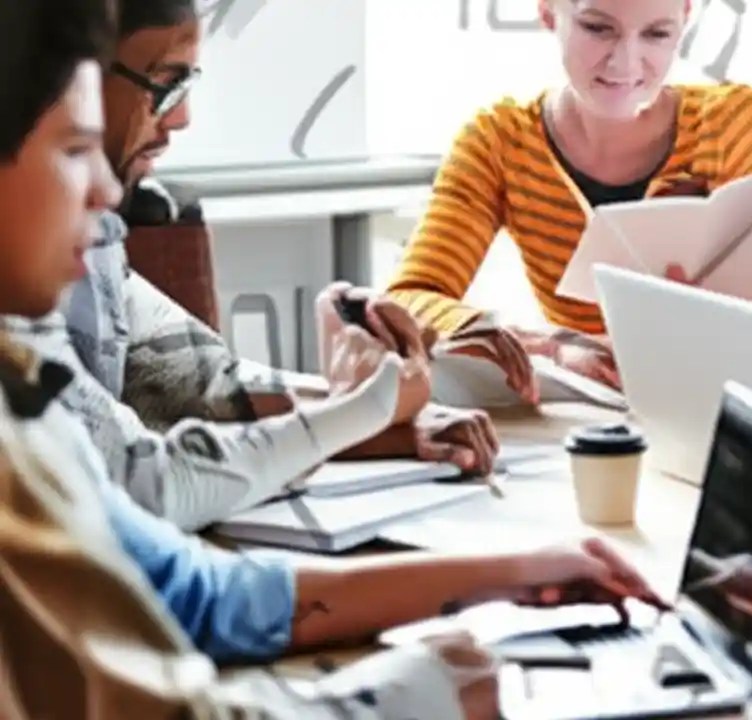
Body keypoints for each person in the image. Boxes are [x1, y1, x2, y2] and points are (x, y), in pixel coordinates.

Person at [0, 7, 665, 716]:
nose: (103, 191)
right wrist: (420, 690)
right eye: (75, 148)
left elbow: (189, 585)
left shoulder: (31, 352)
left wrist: (518, 574)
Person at [0, 0, 502, 532]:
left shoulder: (94, 236)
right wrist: (359, 412)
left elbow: (200, 380)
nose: (181, 117)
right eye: (165, 84)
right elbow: (142, 481)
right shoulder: (28, 261)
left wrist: (370, 406)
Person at [385, 0, 752, 397]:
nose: (625, 63)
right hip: (581, 414)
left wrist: (696, 319)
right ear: (549, 10)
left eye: (656, 34)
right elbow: (407, 299)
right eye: (597, 28)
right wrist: (545, 347)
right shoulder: (500, 142)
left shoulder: (731, 123)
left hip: (704, 404)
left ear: (685, 16)